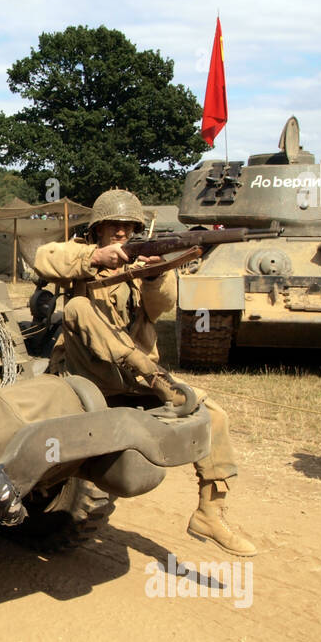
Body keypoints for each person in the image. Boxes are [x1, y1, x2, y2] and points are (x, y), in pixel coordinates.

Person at [33, 187, 257, 556]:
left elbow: (160, 309)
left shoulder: (141, 267)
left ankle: (210, 511)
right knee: (77, 307)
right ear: (98, 228)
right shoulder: (80, 253)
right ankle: (157, 381)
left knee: (213, 416)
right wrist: (96, 257)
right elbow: (44, 259)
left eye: (129, 226)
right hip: (86, 370)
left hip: (133, 375)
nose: (122, 232)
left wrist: (154, 275)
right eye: (113, 225)